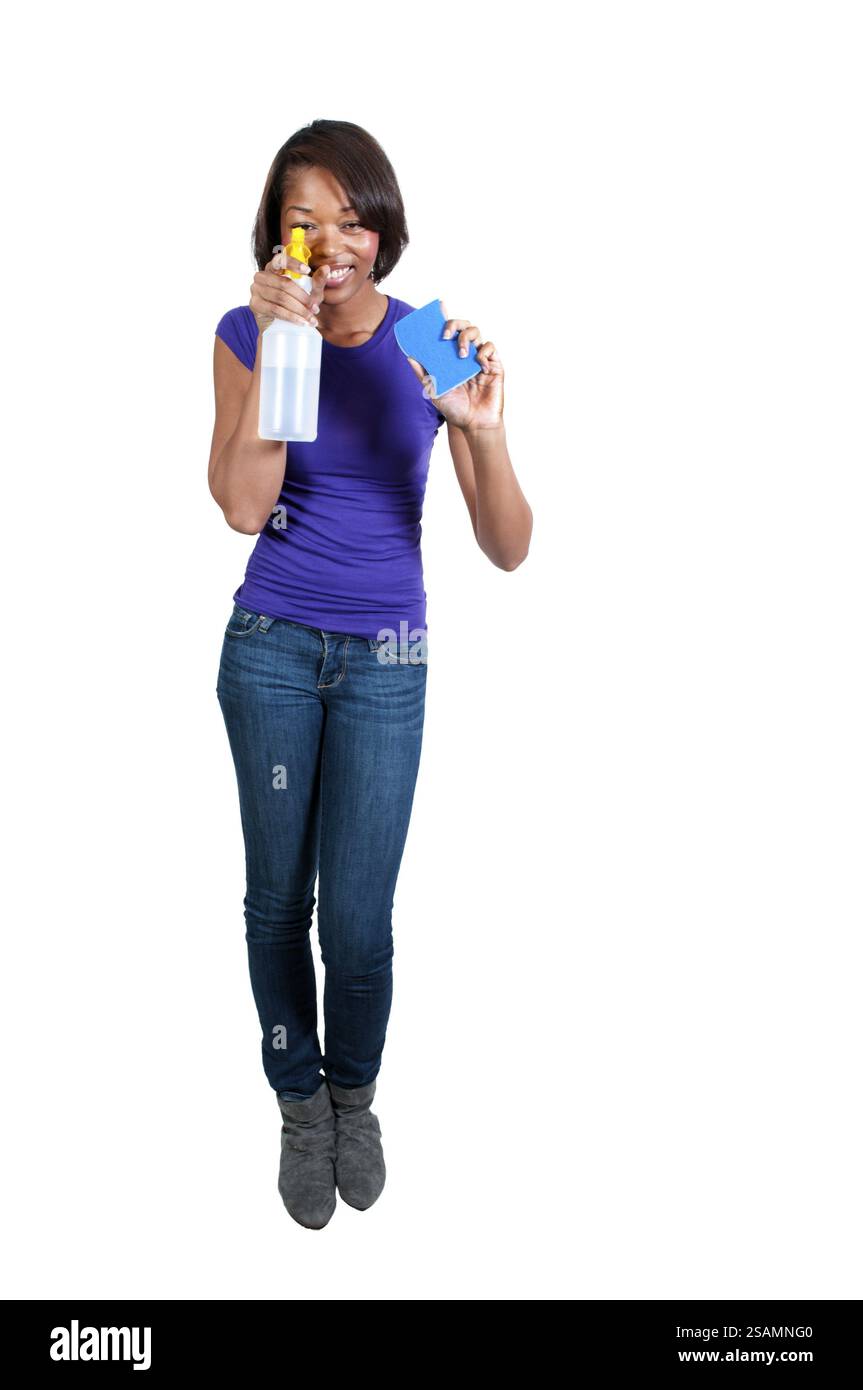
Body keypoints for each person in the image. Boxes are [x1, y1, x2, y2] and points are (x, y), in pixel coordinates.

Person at [209, 119, 532, 1229]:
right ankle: (299, 1104)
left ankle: (356, 1093)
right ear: (277, 237)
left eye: (352, 217)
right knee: (273, 904)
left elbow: (507, 545)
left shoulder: (428, 338)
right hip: (272, 654)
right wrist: (273, 344)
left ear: (382, 226)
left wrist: (482, 432)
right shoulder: (246, 336)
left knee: (356, 922)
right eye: (305, 222)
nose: (331, 241)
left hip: (389, 660)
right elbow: (244, 506)